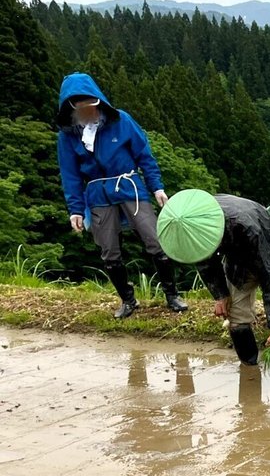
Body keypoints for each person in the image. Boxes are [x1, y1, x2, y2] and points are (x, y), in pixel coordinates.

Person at [55, 72, 187, 318]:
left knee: (155, 240)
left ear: (98, 100)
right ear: (69, 106)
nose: (86, 109)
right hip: (97, 193)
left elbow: (144, 154)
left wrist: (156, 186)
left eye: (90, 103)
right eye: (79, 104)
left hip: (129, 187)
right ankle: (128, 300)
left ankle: (172, 295)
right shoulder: (67, 135)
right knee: (109, 252)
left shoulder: (121, 120)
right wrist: (74, 209)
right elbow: (70, 175)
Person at [156, 190, 270, 369]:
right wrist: (220, 294)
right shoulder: (193, 225)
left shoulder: (246, 225)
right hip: (237, 258)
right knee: (236, 314)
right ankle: (249, 367)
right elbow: (204, 260)